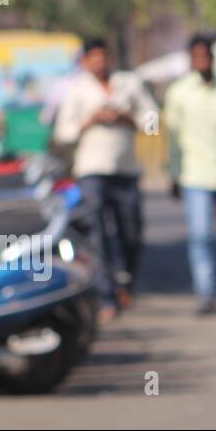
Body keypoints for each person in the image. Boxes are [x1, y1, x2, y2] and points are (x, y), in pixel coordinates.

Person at [51, 37, 157, 320]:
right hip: (91, 171)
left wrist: (128, 117)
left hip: (125, 170)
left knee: (131, 232)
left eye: (103, 56)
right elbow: (63, 133)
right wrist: (90, 119)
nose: (100, 62)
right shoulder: (77, 89)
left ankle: (125, 283)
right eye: (93, 57)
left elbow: (153, 120)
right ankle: (106, 296)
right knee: (96, 232)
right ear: (85, 61)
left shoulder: (129, 84)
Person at [163, 35, 216, 315]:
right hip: (195, 175)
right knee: (201, 236)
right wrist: (173, 174)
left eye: (205, 56)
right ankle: (206, 292)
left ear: (212, 58)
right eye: (196, 57)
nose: (202, 61)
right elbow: (172, 138)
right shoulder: (179, 92)